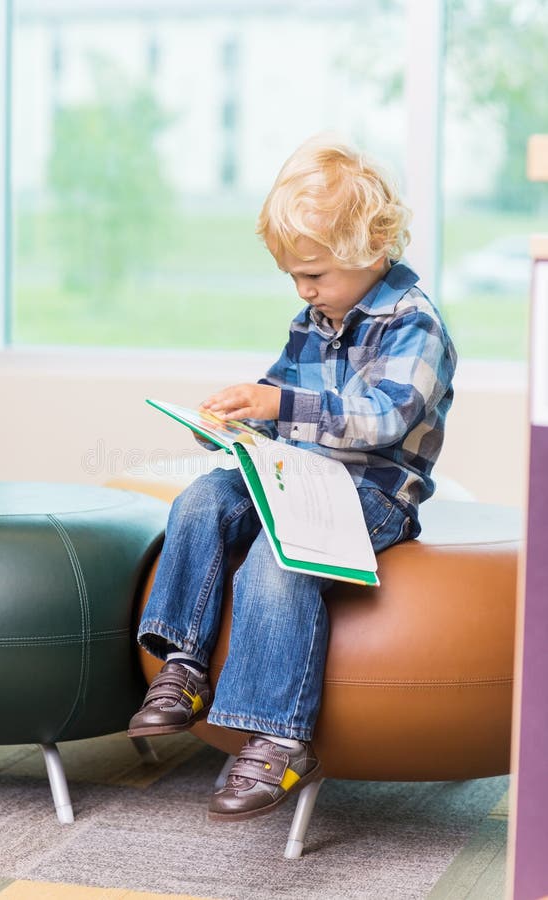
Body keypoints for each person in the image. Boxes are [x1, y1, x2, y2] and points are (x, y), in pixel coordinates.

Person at [128, 135, 457, 822]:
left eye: (315, 275)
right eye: (294, 278)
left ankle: (279, 736)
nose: (304, 292)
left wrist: (282, 405)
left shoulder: (414, 325)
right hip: (299, 476)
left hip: (374, 493)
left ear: (373, 249)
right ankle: (183, 663)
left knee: (280, 559)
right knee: (203, 498)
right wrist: (237, 421)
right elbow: (277, 402)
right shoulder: (315, 318)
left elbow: (383, 419)